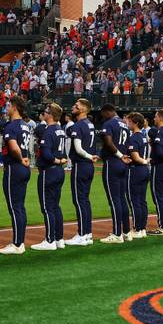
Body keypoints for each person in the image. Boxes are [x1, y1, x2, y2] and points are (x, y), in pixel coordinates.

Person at [32, 104, 68, 251]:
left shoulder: (49, 131)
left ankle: (49, 240)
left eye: (46, 112)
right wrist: (60, 161)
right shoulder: (60, 130)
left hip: (49, 171)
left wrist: (56, 160)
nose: (43, 114)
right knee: (55, 206)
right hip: (59, 171)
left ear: (50, 115)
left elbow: (46, 154)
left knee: (47, 207)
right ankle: (59, 239)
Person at [0, 96, 32, 254]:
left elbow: (13, 147)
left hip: (14, 167)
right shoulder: (25, 125)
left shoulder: (11, 126)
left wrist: (20, 158)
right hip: (23, 168)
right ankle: (20, 241)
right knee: (20, 206)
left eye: (9, 105)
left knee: (15, 207)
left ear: (15, 107)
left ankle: (18, 244)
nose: (7, 107)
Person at [66, 98, 96, 246]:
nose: (73, 107)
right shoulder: (90, 124)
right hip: (89, 166)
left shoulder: (78, 125)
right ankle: (88, 233)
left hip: (81, 164)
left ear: (83, 109)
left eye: (76, 106)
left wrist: (90, 156)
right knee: (85, 200)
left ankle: (82, 234)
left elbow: (78, 149)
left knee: (79, 200)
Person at [99, 103, 131, 243]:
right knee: (122, 198)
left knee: (114, 199)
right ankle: (126, 232)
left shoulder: (109, 123)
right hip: (124, 163)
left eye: (103, 114)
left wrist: (118, 155)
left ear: (107, 112)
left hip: (113, 162)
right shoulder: (124, 124)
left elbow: (108, 142)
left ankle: (117, 233)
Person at [123, 112, 151, 239]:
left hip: (135, 170)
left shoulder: (133, 137)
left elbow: (135, 156)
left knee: (134, 201)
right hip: (144, 170)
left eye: (129, 121)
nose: (127, 123)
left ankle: (137, 228)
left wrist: (143, 161)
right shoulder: (144, 136)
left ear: (135, 123)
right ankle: (143, 228)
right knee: (142, 200)